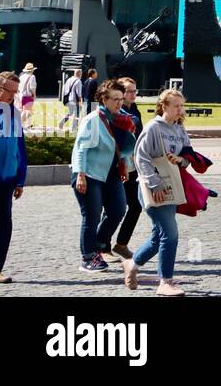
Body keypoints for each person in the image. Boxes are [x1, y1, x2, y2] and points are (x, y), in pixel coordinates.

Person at [124, 88, 193, 296]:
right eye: (176, 106)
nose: (180, 110)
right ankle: (165, 282)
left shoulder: (180, 129)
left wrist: (181, 160)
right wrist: (154, 184)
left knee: (158, 236)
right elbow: (140, 158)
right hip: (152, 188)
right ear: (164, 106)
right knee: (170, 234)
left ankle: (132, 264)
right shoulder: (153, 127)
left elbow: (189, 156)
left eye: (182, 106)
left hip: (171, 186)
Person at [70, 79, 136, 273]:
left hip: (111, 173)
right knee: (91, 215)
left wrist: (124, 164)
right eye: (115, 99)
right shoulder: (93, 119)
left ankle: (98, 244)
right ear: (103, 99)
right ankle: (88, 257)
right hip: (89, 173)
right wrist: (80, 175)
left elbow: (120, 148)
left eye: (121, 99)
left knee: (117, 210)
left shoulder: (120, 119)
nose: (119, 103)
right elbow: (81, 149)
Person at [102, 77, 144, 260]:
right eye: (129, 91)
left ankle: (121, 244)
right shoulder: (114, 114)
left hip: (132, 165)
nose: (132, 94)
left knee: (135, 206)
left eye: (135, 91)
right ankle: (102, 246)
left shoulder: (135, 111)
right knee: (113, 207)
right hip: (117, 166)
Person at [0, 71, 28, 283]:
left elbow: (20, 147)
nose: (14, 96)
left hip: (7, 178)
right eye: (11, 92)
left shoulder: (13, 113)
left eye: (16, 92)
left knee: (3, 224)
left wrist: (20, 178)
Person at [59, 69, 84, 133]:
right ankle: (74, 128)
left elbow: (64, 89)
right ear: (79, 74)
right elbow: (79, 94)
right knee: (76, 114)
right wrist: (81, 102)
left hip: (68, 99)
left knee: (70, 113)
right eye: (81, 74)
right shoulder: (78, 81)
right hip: (74, 100)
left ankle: (61, 123)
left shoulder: (69, 79)